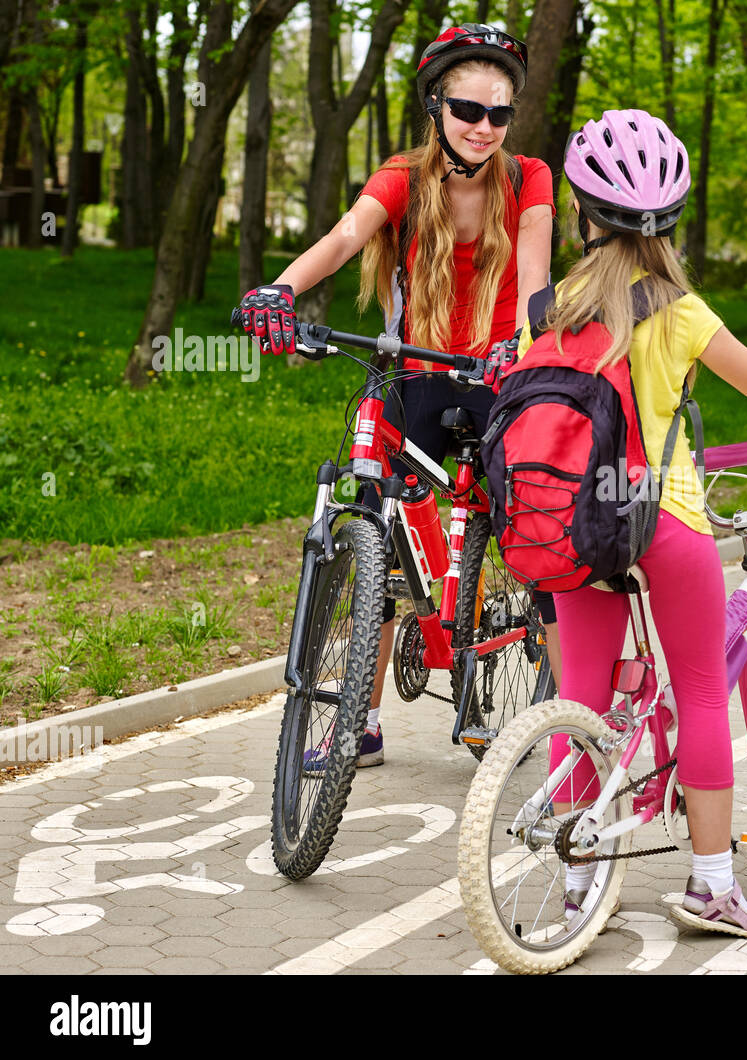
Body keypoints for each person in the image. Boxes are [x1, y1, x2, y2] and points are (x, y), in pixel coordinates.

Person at [520, 109, 747, 937]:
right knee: (696, 695)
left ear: (583, 214)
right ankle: (712, 885)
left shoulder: (549, 309)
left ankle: (579, 890)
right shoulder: (679, 310)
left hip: (578, 524)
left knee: (581, 691)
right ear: (671, 221)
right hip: (664, 523)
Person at [236, 24, 559, 767]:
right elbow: (347, 235)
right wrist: (280, 288)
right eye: (467, 110)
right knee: (377, 523)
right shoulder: (405, 178)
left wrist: (529, 345)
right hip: (417, 366)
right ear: (436, 106)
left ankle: (553, 705)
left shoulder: (529, 179)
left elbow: (536, 276)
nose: (483, 127)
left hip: (500, 373)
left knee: (531, 521)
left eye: (498, 114)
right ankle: (361, 721)